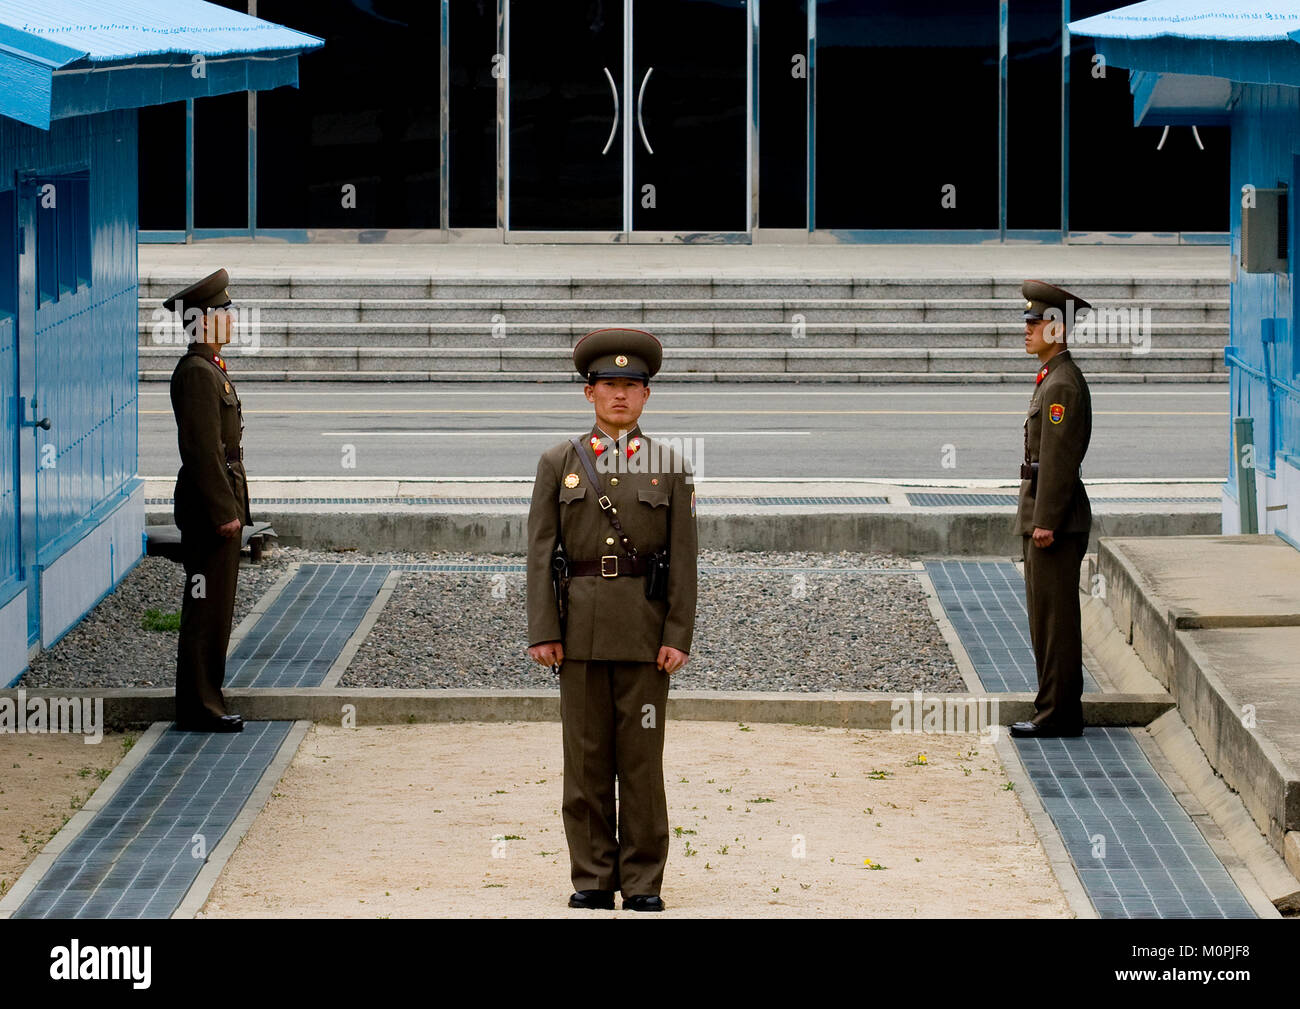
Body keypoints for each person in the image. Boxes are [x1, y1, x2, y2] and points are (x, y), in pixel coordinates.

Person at [526, 327, 698, 912]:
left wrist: (678, 634)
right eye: (608, 385)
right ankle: (594, 877)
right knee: (585, 758)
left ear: (647, 396)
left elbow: (685, 560)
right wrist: (544, 629)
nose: (619, 396)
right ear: (588, 393)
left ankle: (644, 880)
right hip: (576, 633)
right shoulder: (558, 462)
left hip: (646, 635)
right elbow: (539, 552)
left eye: (631, 386)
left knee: (642, 763)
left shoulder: (670, 467)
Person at [165, 269, 252, 733]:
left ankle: (206, 699)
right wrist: (224, 514)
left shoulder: (209, 367)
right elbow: (200, 451)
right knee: (205, 610)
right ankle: (199, 706)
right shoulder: (197, 374)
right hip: (208, 510)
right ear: (203, 321)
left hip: (221, 501)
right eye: (224, 312)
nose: (232, 318)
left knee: (216, 609)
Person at [1010, 280, 1093, 739]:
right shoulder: (1052, 376)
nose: (1027, 330)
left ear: (1057, 328)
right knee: (1047, 619)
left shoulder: (1061, 384)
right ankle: (1056, 708)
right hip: (1047, 516)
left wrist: (1045, 521)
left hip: (1054, 522)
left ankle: (1057, 715)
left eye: (1035, 322)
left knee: (1055, 621)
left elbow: (1059, 461)